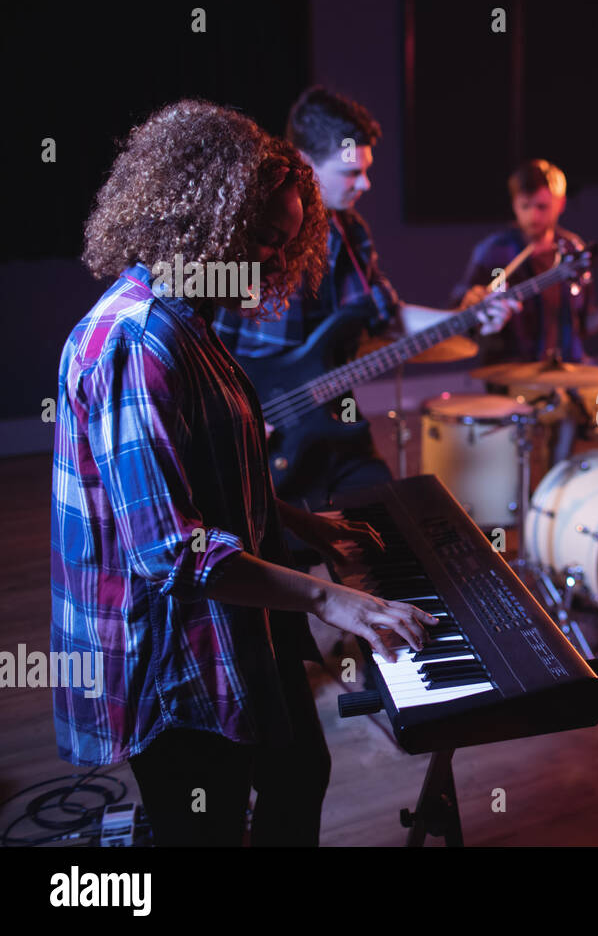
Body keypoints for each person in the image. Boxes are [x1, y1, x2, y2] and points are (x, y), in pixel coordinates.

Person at [53, 100, 436, 846]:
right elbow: (174, 553)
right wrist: (334, 604)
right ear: (199, 221)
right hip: (168, 654)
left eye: (283, 244)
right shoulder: (136, 342)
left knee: (298, 776)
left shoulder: (189, 317)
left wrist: (300, 522)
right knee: (208, 825)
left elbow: (216, 473)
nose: (270, 262)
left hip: (229, 619)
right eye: (259, 240)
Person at [214, 86, 513, 512]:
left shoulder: (350, 232)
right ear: (303, 163)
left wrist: (468, 316)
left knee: (393, 517)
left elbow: (389, 317)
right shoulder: (255, 229)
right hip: (258, 421)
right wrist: (238, 416)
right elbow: (203, 335)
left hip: (335, 407)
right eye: (351, 172)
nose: (366, 183)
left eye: (366, 171)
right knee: (283, 552)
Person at [450, 159, 598, 366]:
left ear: (560, 203)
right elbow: (460, 316)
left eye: (542, 206)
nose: (532, 216)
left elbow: (582, 327)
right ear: (514, 204)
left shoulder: (573, 250)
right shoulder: (493, 253)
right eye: (525, 206)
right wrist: (480, 307)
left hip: (568, 372)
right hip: (512, 378)